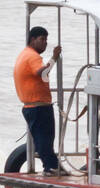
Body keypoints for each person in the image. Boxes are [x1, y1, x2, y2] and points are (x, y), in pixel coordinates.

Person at [12, 26, 64, 175]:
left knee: (44, 138)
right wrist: (54, 58)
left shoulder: (23, 54)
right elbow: (44, 73)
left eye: (46, 40)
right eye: (42, 39)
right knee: (45, 138)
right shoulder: (33, 56)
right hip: (38, 106)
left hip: (31, 105)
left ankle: (53, 165)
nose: (45, 43)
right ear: (32, 39)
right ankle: (50, 167)